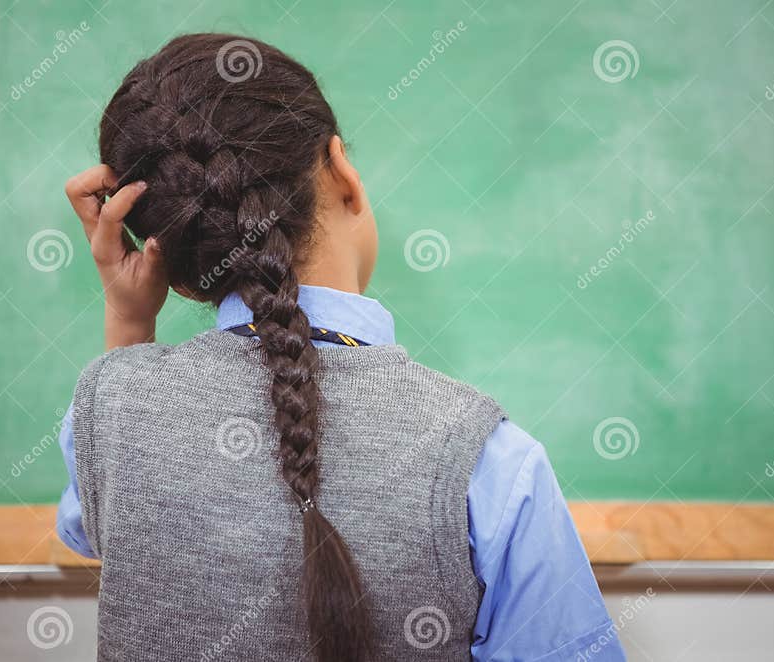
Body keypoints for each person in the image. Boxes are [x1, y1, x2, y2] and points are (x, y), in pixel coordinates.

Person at [57, 32, 625, 662]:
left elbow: (95, 524)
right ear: (343, 175)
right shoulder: (486, 457)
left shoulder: (113, 409)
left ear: (183, 275)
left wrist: (127, 324)